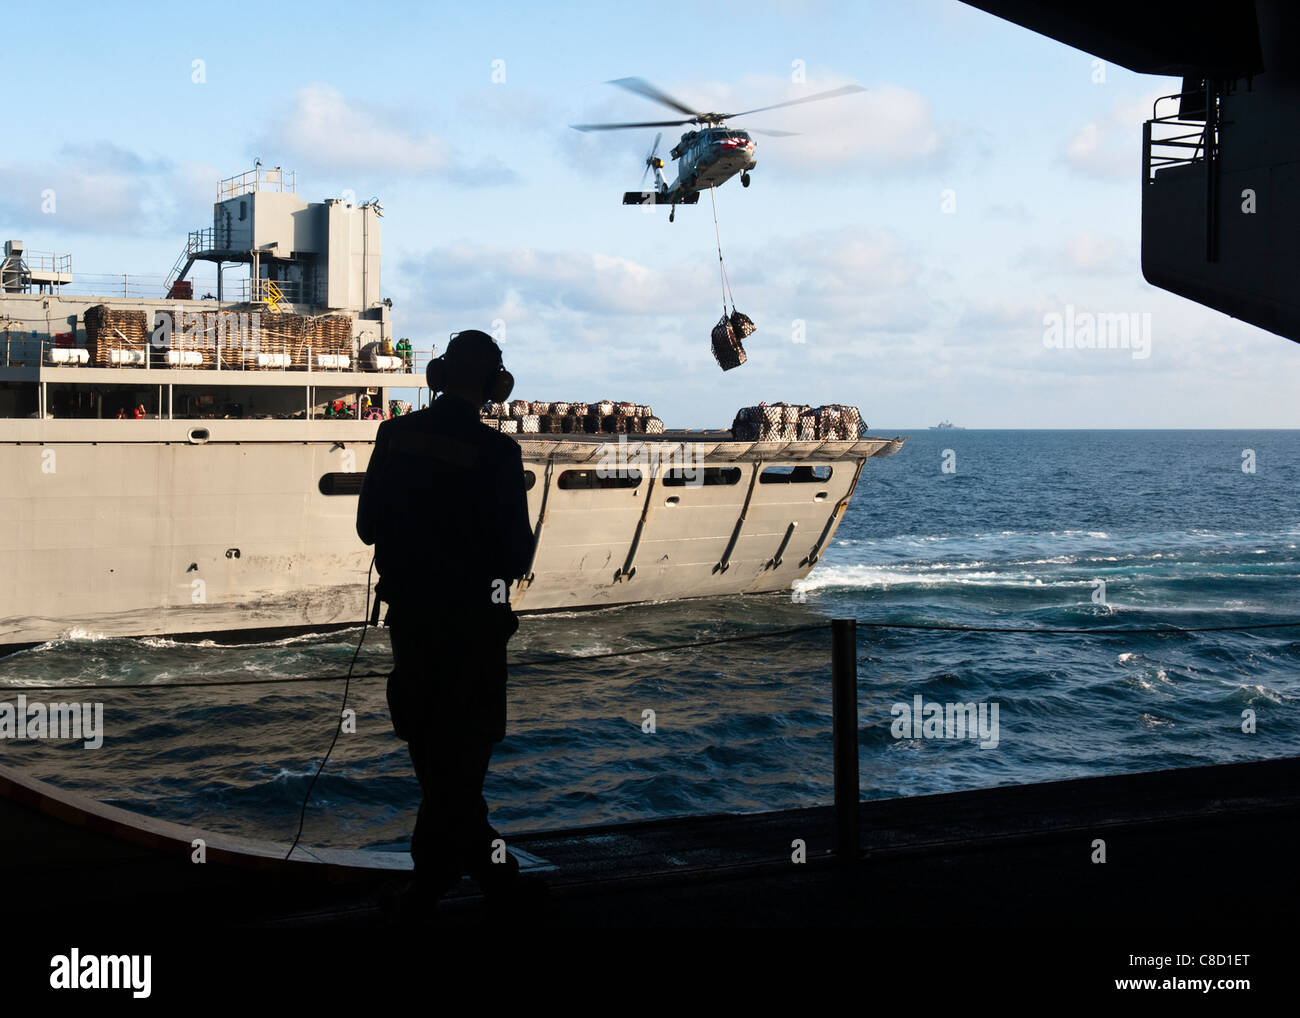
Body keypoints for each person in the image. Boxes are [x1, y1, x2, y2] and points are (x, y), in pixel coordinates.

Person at [356, 329, 540, 918]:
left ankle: (435, 886)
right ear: (493, 386)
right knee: (459, 769)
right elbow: (516, 555)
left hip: (414, 625)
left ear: (435, 376)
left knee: (435, 760)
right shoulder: (499, 453)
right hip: (475, 632)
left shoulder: (395, 435)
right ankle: (488, 883)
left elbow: (367, 526)